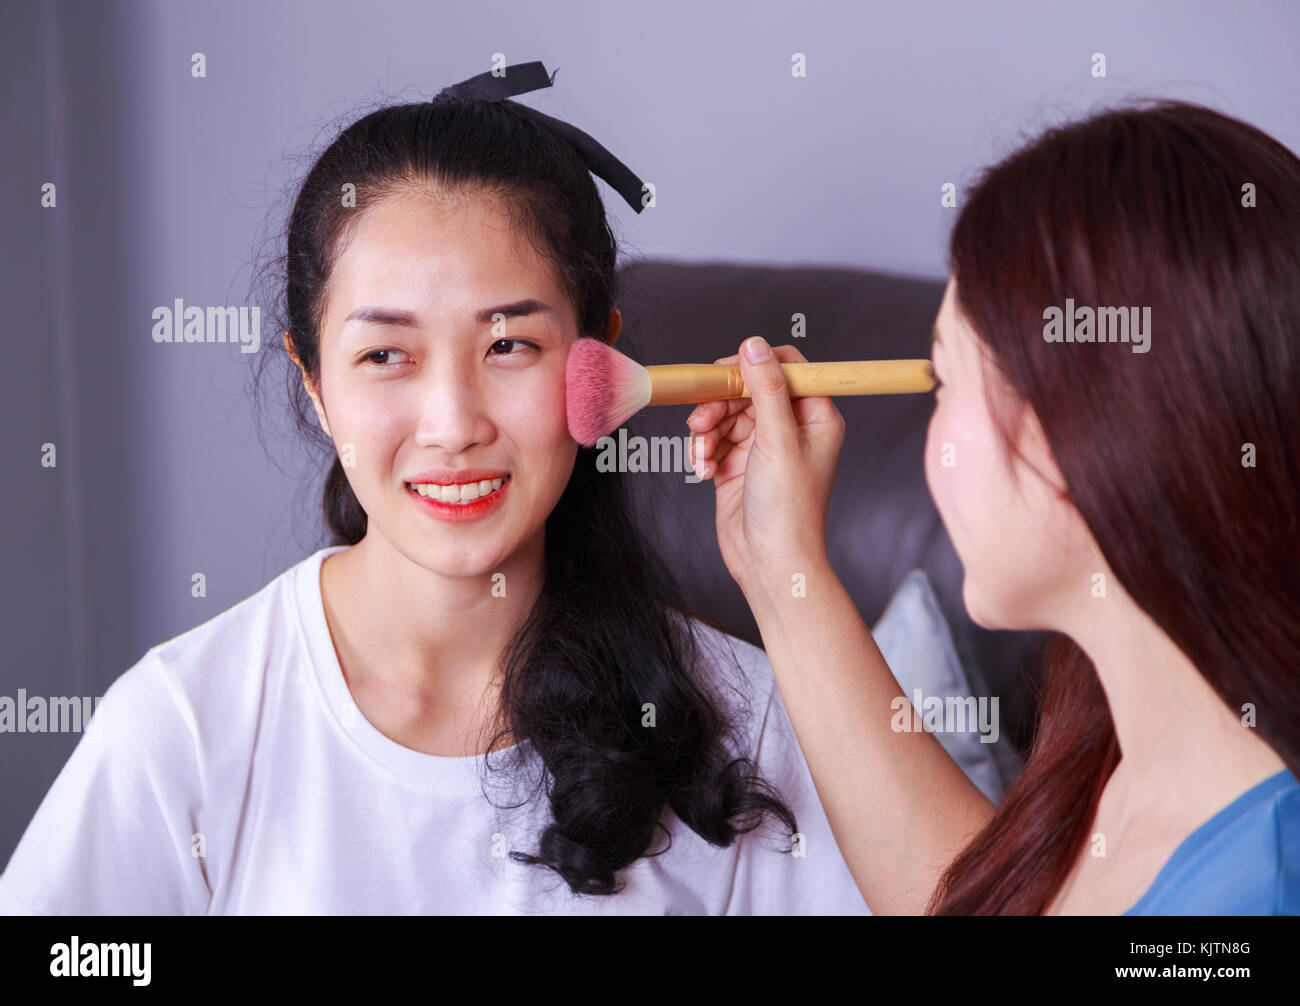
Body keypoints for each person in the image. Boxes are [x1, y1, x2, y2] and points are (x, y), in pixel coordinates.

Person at [0, 63, 868, 915]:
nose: (453, 425)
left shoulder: (740, 724)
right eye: (385, 356)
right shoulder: (186, 726)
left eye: (508, 347)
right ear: (312, 379)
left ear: (598, 359)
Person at [686, 99, 1300, 915]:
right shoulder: (1143, 761)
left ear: (1074, 432)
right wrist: (780, 564)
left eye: (946, 380)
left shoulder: (1258, 891)